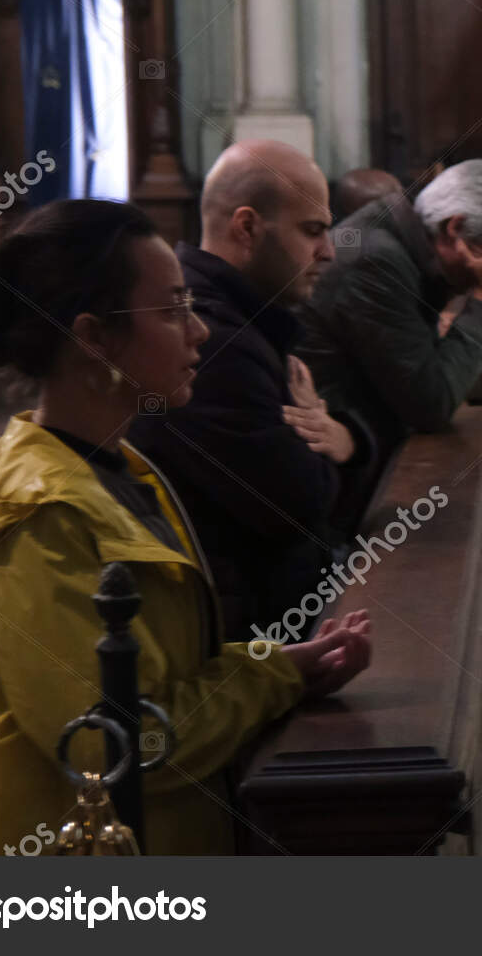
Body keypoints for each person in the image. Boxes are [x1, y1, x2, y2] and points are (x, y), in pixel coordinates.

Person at [0, 199, 372, 855]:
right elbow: (115, 742)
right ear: (95, 338)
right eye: (173, 309)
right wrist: (270, 681)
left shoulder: (122, 466)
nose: (201, 331)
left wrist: (278, 664)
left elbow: (161, 673)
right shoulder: (43, 520)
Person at [129, 140, 368, 640]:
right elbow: (298, 507)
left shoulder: (245, 320)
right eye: (312, 231)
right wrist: (331, 448)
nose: (328, 251)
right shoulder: (213, 343)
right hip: (248, 640)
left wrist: (343, 438)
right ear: (247, 227)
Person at [295, 158, 482, 471]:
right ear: (455, 228)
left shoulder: (398, 239)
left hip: (359, 441)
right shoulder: (376, 262)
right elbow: (431, 406)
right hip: (335, 466)